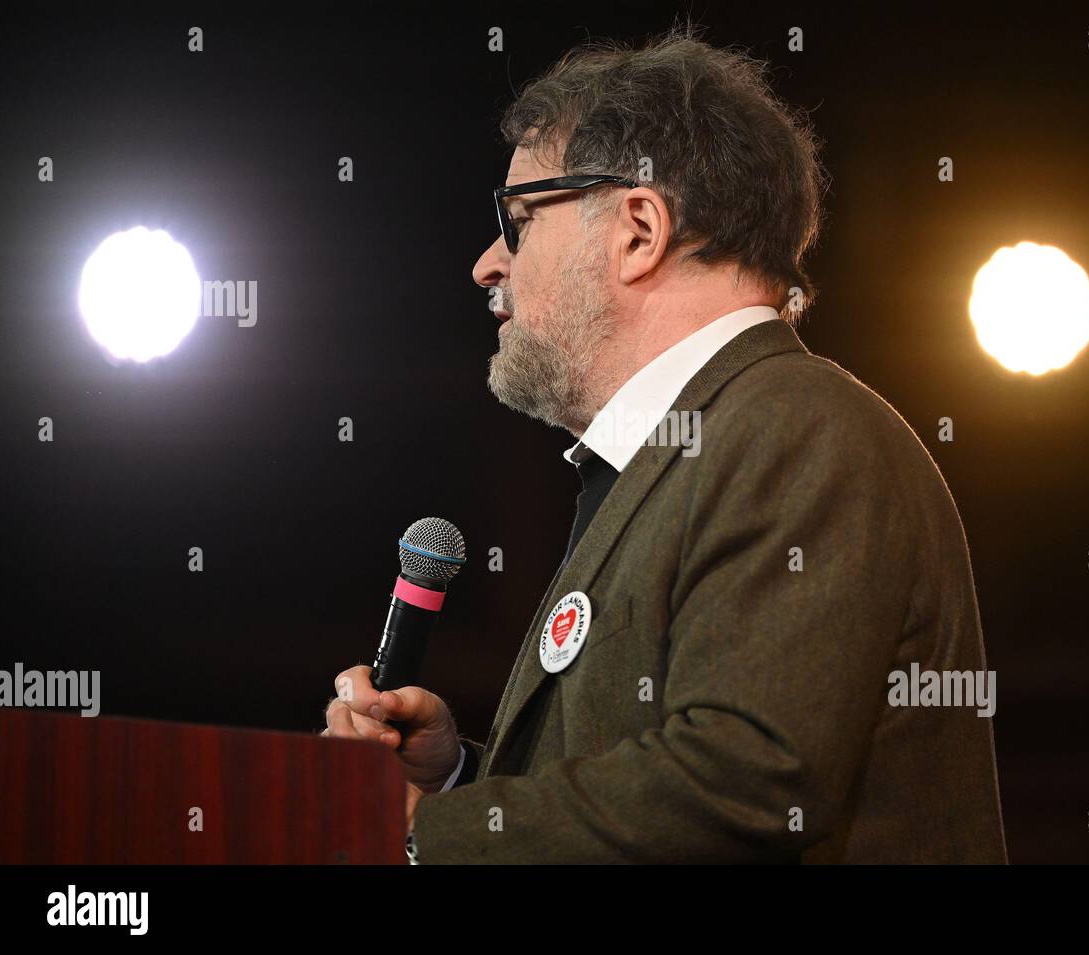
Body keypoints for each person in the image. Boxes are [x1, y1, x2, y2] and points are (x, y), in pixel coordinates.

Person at [323, 24, 1008, 863]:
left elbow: (743, 785)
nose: (486, 264)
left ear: (639, 229)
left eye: (519, 220)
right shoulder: (690, 446)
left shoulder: (796, 427)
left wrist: (423, 832)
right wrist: (457, 782)